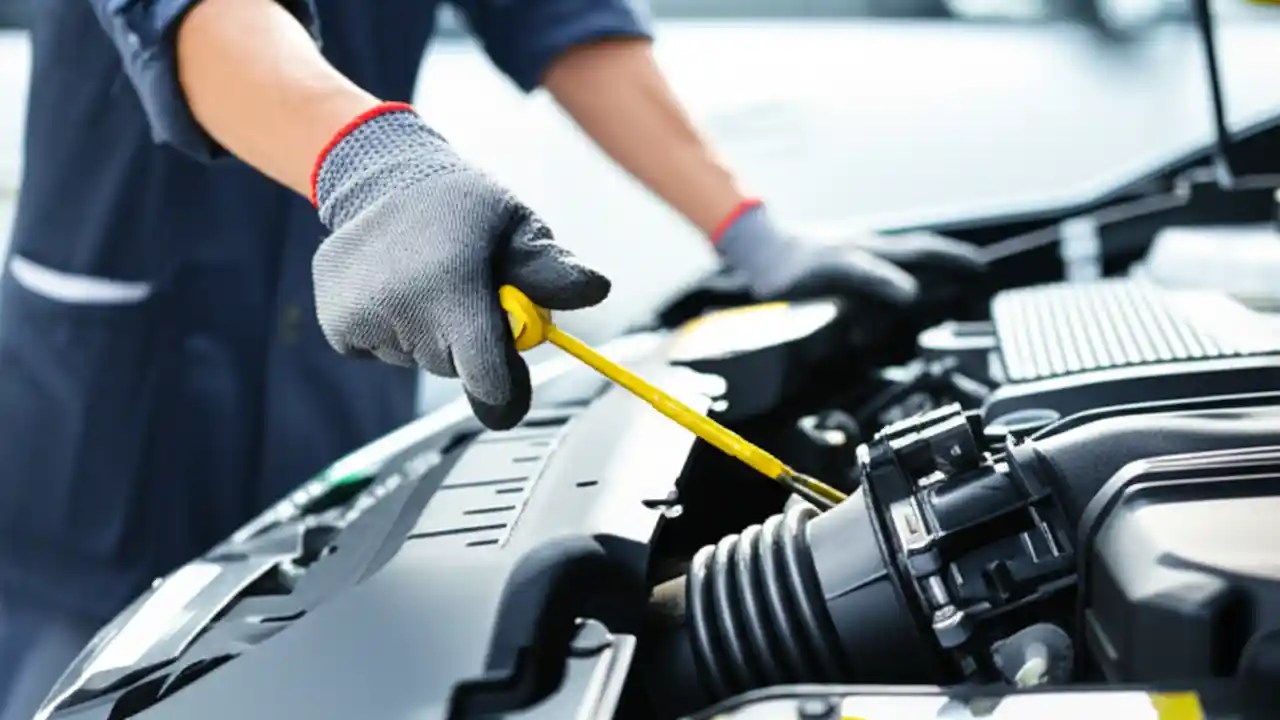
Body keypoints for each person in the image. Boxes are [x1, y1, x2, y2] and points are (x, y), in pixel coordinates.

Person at [0, 0, 984, 716]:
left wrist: (749, 231)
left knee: (326, 656)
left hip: (348, 315)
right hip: (120, 372)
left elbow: (557, 14)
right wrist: (367, 163)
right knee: (87, 673)